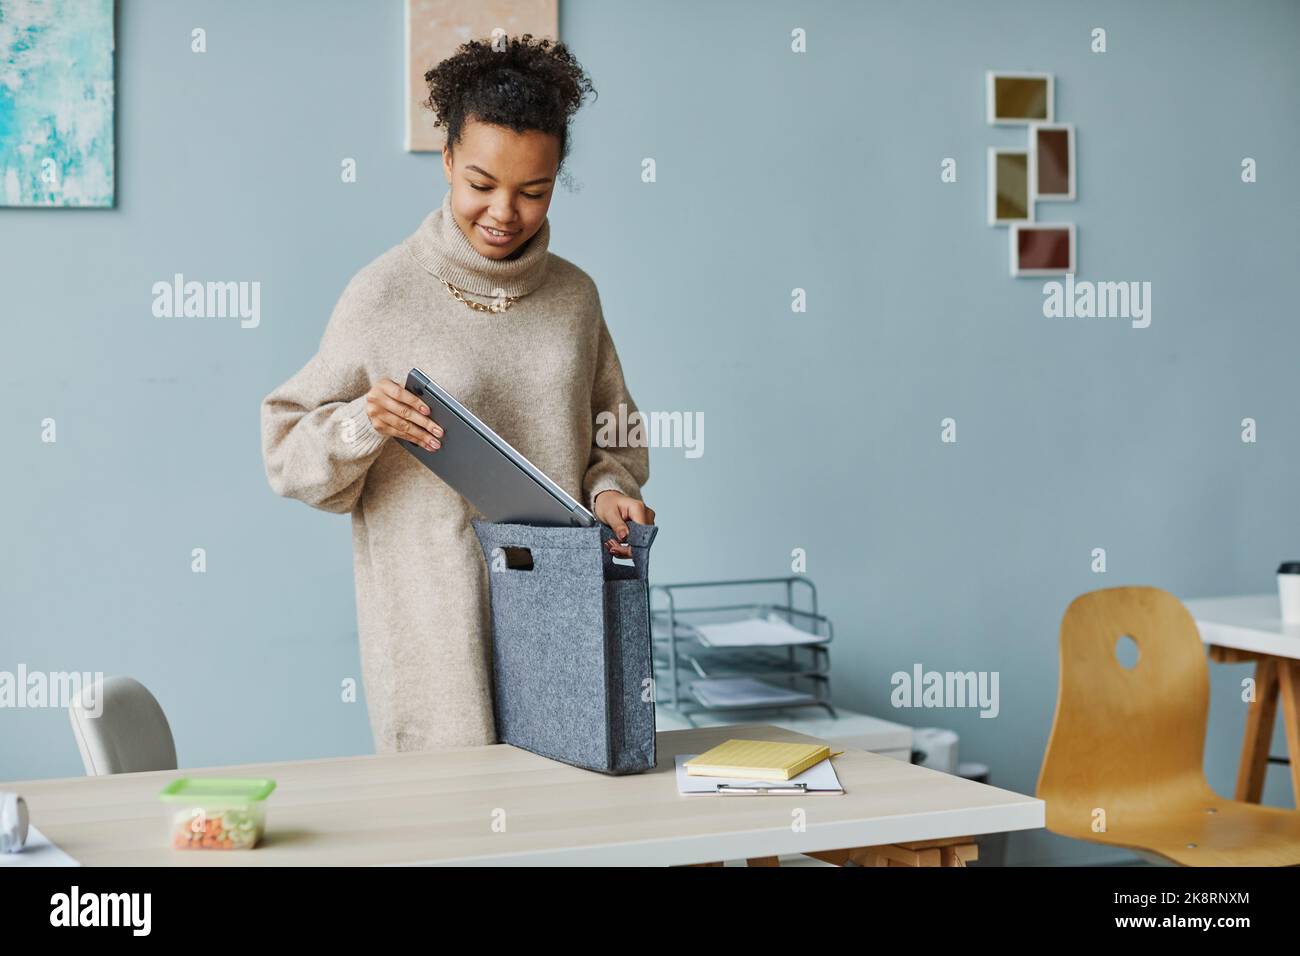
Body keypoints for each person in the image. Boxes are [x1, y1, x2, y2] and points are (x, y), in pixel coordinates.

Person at [260, 34, 655, 753]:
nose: (504, 211)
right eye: (481, 183)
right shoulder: (383, 293)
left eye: (532, 191)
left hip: (561, 620)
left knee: (570, 826)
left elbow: (614, 441)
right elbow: (286, 452)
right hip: (433, 639)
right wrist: (362, 421)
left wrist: (608, 492)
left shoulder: (575, 298)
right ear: (446, 161)